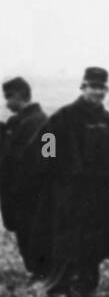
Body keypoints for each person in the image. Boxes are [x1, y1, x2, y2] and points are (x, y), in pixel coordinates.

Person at [30, 67, 109, 297]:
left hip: (102, 191)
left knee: (97, 240)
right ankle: (56, 291)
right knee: (69, 241)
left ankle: (86, 289)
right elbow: (46, 143)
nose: (97, 92)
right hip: (71, 190)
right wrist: (54, 168)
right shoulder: (65, 117)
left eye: (101, 88)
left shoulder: (107, 120)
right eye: (92, 87)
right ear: (83, 87)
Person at [0, 77, 48, 277]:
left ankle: (43, 272)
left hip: (33, 192)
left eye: (8, 98)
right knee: (23, 233)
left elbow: (50, 156)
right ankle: (37, 271)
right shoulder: (16, 122)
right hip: (16, 192)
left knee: (35, 233)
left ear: (19, 96)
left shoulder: (43, 122)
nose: (6, 103)